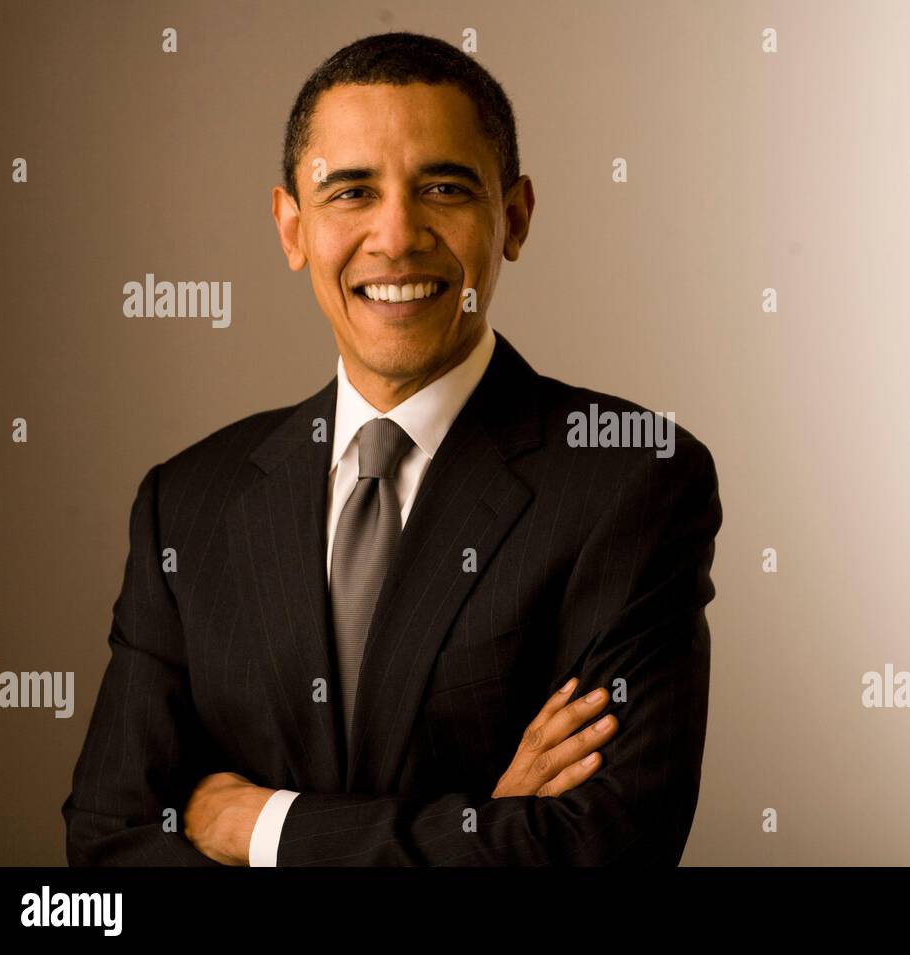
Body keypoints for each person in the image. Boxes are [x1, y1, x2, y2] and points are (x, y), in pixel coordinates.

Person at [62, 31, 721, 866]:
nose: (397, 235)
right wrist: (479, 823)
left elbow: (599, 847)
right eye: (351, 193)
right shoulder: (185, 503)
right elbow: (109, 842)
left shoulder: (634, 478)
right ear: (291, 227)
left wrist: (258, 826)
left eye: (443, 187)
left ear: (512, 219)